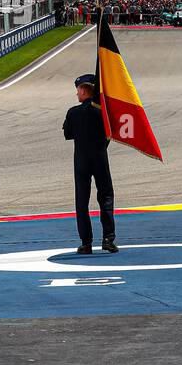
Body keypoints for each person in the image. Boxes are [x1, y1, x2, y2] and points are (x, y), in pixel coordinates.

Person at [62, 73, 117, 255]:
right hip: (100, 158)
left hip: (81, 161)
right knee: (106, 197)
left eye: (78, 90)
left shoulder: (73, 112)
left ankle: (86, 243)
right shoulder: (103, 112)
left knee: (82, 201)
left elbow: (68, 134)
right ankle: (108, 239)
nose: (77, 94)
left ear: (85, 91)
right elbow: (110, 133)